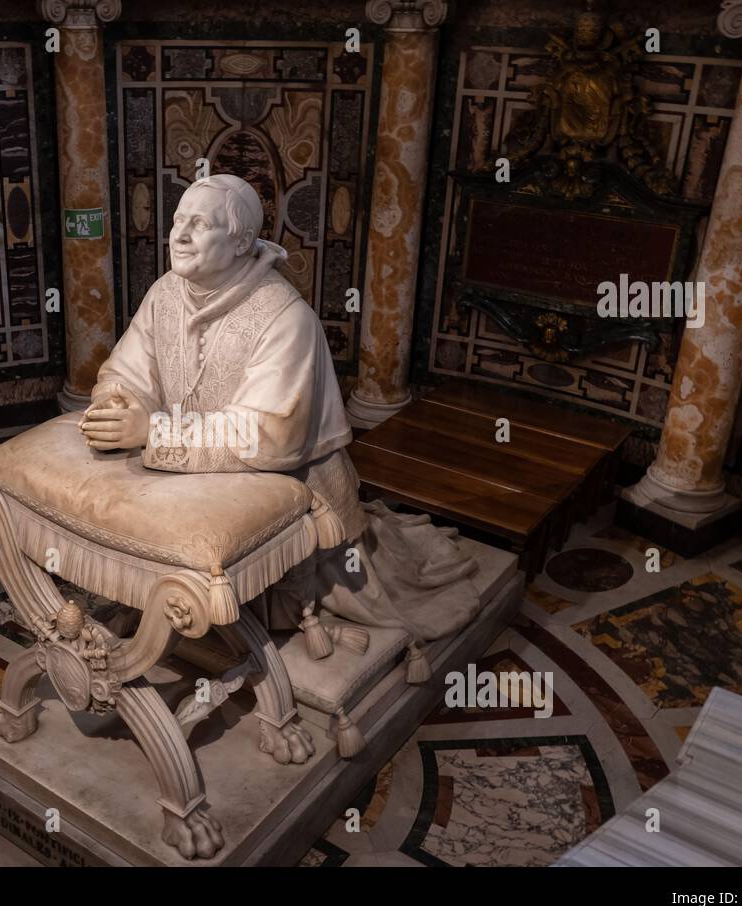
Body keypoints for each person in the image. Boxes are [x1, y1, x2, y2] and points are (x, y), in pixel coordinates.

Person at [78, 174, 480, 659]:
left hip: (283, 481)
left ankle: (252, 617)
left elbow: (271, 438)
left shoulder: (285, 317)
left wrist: (154, 431)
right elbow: (128, 370)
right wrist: (121, 403)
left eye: (199, 224)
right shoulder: (166, 293)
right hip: (191, 477)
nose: (179, 235)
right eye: (178, 220)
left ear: (242, 240)